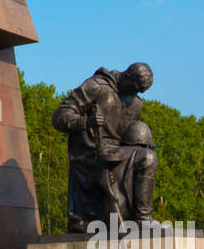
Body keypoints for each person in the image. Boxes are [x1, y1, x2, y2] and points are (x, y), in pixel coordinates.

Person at [51, 62, 154, 232]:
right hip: (90, 154)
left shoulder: (136, 102)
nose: (135, 94)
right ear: (126, 76)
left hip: (118, 153)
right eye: (134, 88)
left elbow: (128, 137)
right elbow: (59, 117)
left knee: (148, 157)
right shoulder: (97, 86)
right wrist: (85, 122)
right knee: (143, 157)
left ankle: (142, 217)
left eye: (139, 92)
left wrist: (142, 141)